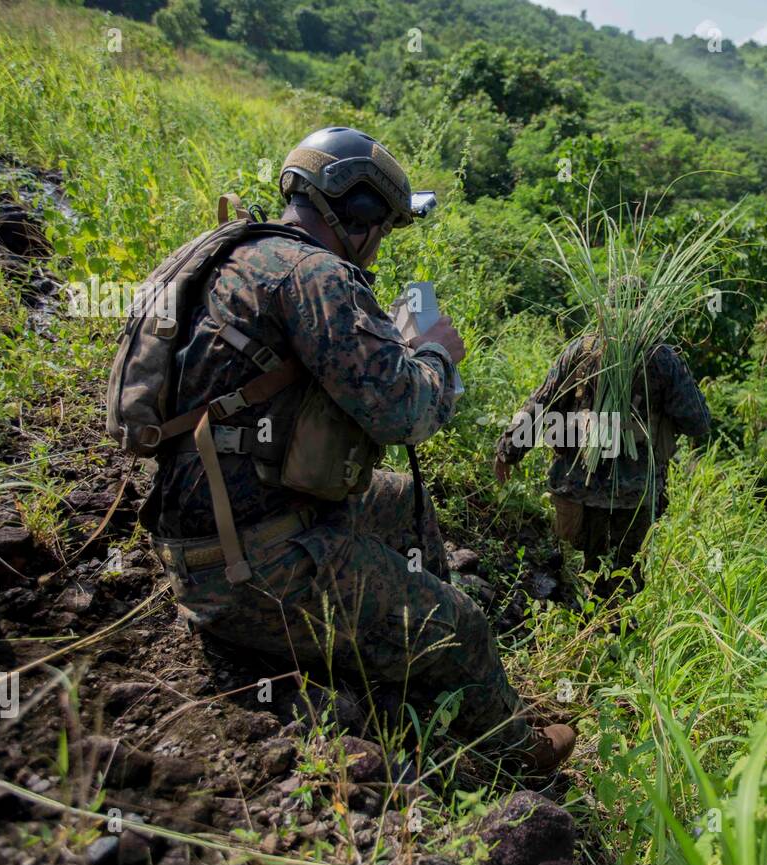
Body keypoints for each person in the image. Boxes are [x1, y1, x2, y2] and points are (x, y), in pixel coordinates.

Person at [142, 127, 574, 771]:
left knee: (402, 502)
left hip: (213, 534)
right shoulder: (317, 275)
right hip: (251, 573)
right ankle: (516, 751)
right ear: (362, 218)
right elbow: (406, 413)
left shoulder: (243, 252)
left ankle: (409, 640)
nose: (382, 245)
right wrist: (433, 353)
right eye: (385, 228)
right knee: (466, 628)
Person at [493, 298, 711, 600]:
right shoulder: (662, 358)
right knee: (624, 580)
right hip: (634, 494)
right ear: (646, 309)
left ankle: (575, 625)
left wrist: (509, 449)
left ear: (605, 307)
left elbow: (542, 403)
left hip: (579, 483)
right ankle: (608, 637)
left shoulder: (582, 350)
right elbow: (698, 421)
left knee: (579, 567)